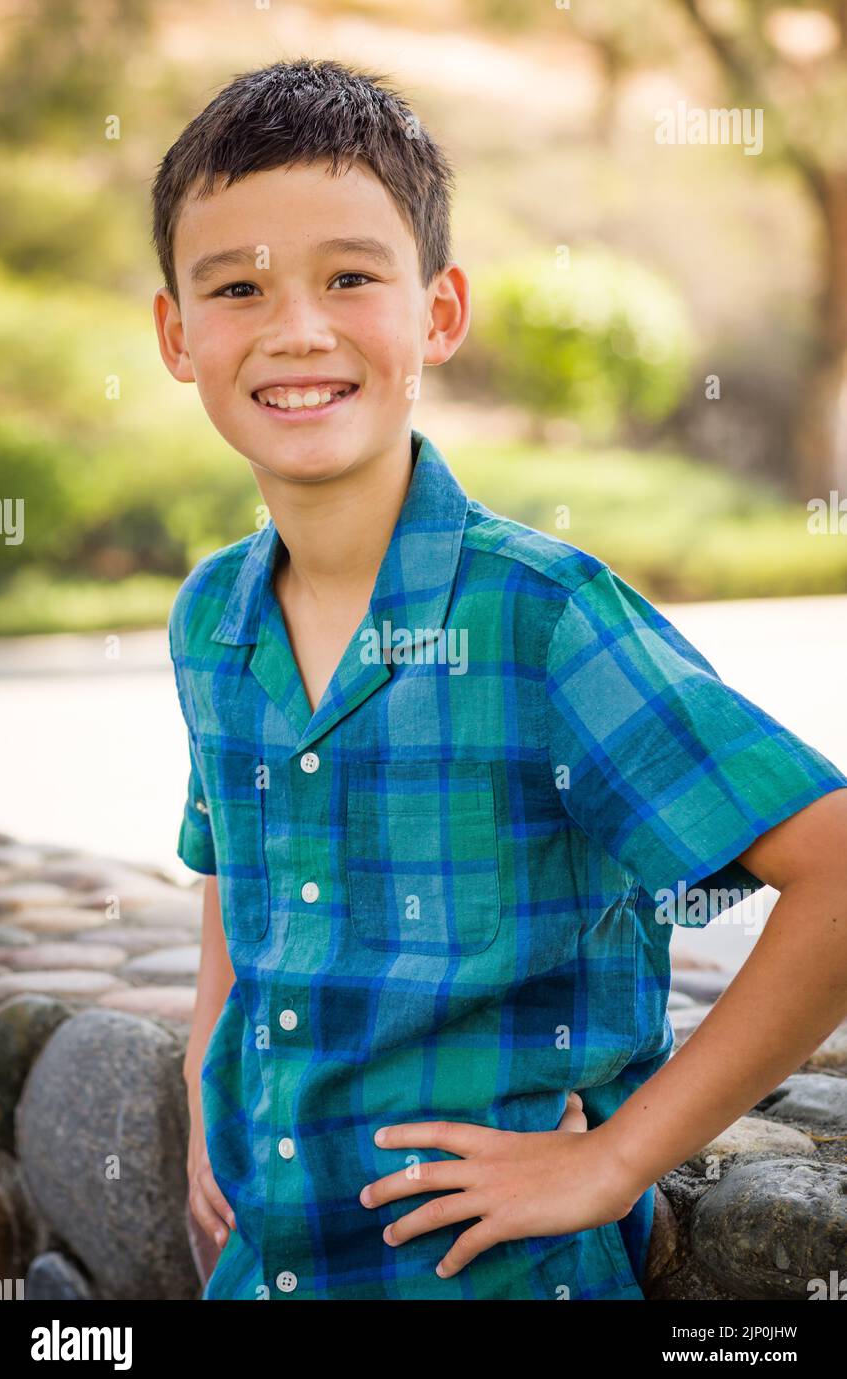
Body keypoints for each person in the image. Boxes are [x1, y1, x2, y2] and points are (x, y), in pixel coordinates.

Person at [153, 58, 847, 1300]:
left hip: (495, 1279)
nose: (296, 327)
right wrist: (215, 1064)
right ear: (175, 334)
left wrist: (613, 1162)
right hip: (269, 1266)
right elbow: (235, 860)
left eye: (350, 277)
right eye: (238, 286)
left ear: (438, 312)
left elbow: (834, 868)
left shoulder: (540, 619)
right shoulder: (210, 615)